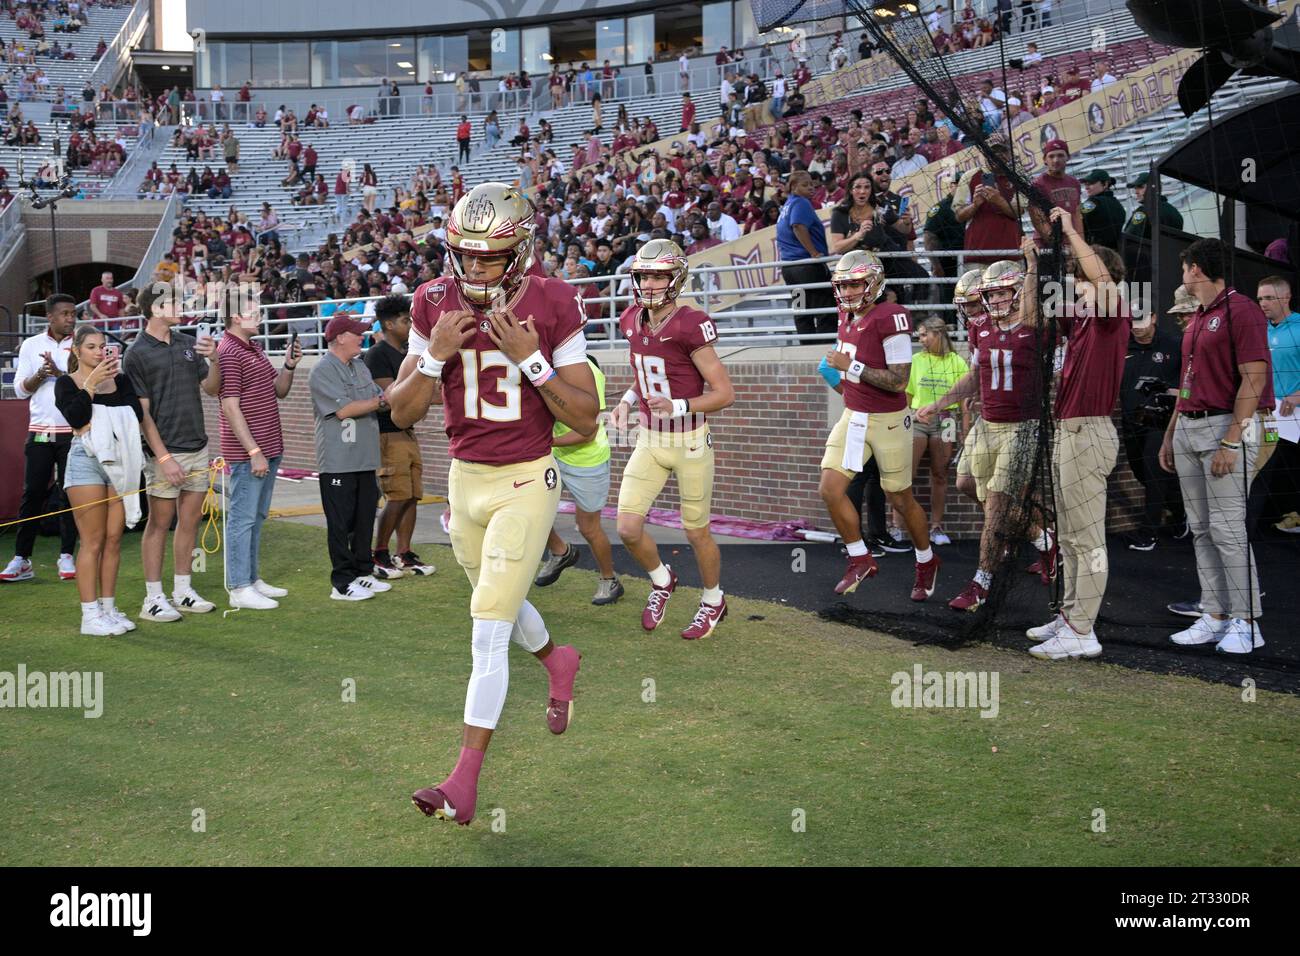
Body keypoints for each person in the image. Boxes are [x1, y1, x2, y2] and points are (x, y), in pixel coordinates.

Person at [390, 182, 597, 826]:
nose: (474, 269)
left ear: (520, 251)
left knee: (487, 631)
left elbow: (586, 422)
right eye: (465, 256)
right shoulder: (432, 301)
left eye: (490, 257)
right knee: (497, 601)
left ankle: (462, 781)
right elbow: (400, 413)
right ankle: (558, 660)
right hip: (464, 479)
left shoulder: (555, 301)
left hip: (525, 480)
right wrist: (433, 361)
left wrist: (531, 361)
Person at [609, 239, 735, 638]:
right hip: (649, 439)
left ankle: (714, 601)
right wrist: (628, 401)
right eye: (643, 275)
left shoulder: (690, 322)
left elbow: (723, 393)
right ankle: (662, 579)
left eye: (658, 275)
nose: (649, 283)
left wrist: (678, 405)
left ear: (676, 277)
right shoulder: (631, 318)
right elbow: (647, 372)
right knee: (627, 528)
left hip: (690, 442)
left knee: (696, 532)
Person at [1023, 210, 1131, 661]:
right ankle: (1070, 618)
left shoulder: (1111, 313)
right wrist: (1033, 266)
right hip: (1069, 430)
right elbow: (1031, 317)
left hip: (1089, 431)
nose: (1073, 286)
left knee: (1088, 539)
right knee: (1067, 536)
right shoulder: (1082, 321)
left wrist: (1070, 231)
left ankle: (1084, 630)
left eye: (1078, 278)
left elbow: (1103, 282)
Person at [918, 259, 1055, 610]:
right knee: (964, 484)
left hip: (1021, 426)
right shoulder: (981, 327)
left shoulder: (1034, 325)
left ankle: (982, 582)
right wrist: (939, 404)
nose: (992, 301)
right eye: (989, 294)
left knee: (998, 504)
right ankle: (1043, 540)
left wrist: (1033, 262)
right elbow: (976, 375)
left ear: (1017, 293)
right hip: (987, 423)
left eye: (1000, 293)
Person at [1159, 239, 1274, 655]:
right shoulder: (1199, 316)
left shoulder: (1241, 310)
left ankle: (1248, 621)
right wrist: (1173, 433)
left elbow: (1255, 378)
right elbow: (1188, 383)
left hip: (1225, 426)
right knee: (1202, 529)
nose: (1183, 274)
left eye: (1184, 267)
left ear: (1194, 269)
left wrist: (1231, 438)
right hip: (1191, 427)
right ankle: (1215, 615)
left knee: (1227, 529)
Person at [819, 251, 941, 602]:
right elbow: (844, 369)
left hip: (888, 422)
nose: (848, 291)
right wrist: (843, 379)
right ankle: (860, 558)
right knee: (830, 488)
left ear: (873, 283)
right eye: (843, 284)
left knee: (899, 497)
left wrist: (851, 367)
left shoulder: (892, 315)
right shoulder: (846, 316)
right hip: (854, 416)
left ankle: (926, 561)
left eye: (855, 283)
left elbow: (899, 380)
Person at [124, 283, 222, 622]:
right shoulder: (136, 353)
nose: (182, 306)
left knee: (190, 521)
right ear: (155, 309)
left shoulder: (186, 343)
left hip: (197, 445)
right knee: (159, 524)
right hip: (165, 453)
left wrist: (214, 358)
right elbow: (143, 415)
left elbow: (211, 388)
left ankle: (183, 591)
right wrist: (164, 458)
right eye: (175, 302)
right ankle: (153, 598)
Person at [53, 325, 143, 635]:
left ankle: (107, 608)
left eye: (102, 346)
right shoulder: (66, 383)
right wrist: (91, 385)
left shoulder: (119, 380)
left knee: (113, 540)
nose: (99, 351)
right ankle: (89, 615)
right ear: (77, 351)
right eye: (91, 346)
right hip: (85, 462)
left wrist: (100, 410)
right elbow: (76, 418)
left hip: (119, 460)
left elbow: (136, 415)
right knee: (92, 542)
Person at [216, 293, 302, 611]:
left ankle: (251, 579)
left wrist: (289, 365)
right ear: (236, 316)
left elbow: (279, 390)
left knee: (256, 517)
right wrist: (253, 451)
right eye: (253, 311)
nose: (260, 316)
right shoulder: (228, 351)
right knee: (242, 519)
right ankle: (238, 587)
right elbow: (229, 405)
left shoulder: (254, 347)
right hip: (249, 453)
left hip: (269, 447)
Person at [309, 314, 392, 602]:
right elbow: (344, 410)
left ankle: (362, 572)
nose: (362, 336)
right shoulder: (322, 370)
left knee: (364, 519)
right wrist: (381, 401)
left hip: (365, 458)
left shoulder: (360, 366)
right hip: (338, 460)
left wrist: (383, 399)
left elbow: (377, 398)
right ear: (340, 337)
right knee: (341, 524)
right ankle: (341, 582)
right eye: (357, 333)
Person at [535, 354, 623, 605]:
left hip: (587, 459)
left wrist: (546, 441)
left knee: (588, 527)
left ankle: (609, 580)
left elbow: (587, 432)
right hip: (551, 455)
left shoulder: (587, 371)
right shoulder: (539, 364)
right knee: (532, 513)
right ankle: (561, 552)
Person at [4, 294, 79, 584]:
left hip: (73, 432)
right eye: (65, 314)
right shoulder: (31, 345)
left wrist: (59, 374)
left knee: (68, 493)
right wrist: (41, 374)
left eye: (73, 313)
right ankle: (22, 559)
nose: (70, 318)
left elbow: (85, 387)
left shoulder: (81, 342)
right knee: (32, 493)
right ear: (50, 316)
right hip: (39, 431)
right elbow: (21, 390)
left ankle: (66, 554)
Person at [364, 294, 435, 580]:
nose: (410, 324)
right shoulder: (377, 354)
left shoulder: (407, 354)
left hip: (407, 432)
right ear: (389, 324)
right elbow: (393, 396)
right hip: (387, 434)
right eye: (406, 320)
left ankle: (403, 553)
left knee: (413, 495)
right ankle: (379, 552)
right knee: (397, 495)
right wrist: (433, 394)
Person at [1120, 285, 1189, 551]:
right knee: (1144, 474)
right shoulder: (1122, 345)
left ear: (1154, 318)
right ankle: (1181, 513)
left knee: (1154, 470)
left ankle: (1148, 533)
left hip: (1161, 420)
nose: (1137, 326)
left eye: (1142, 319)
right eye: (1132, 320)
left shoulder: (1174, 344)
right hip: (1131, 420)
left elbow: (1184, 383)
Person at [905, 317, 969, 545]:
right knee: (905, 474)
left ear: (938, 334)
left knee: (940, 474)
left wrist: (966, 432)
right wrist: (908, 416)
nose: (920, 339)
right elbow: (908, 395)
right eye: (919, 335)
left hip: (946, 420)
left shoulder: (957, 362)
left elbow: (964, 402)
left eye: (924, 335)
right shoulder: (916, 360)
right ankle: (898, 526)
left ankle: (936, 527)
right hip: (918, 419)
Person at [1256, 276, 1300, 532]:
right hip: (1269, 414)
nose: (1263, 303)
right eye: (1260, 298)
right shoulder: (1259, 329)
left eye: (1269, 298)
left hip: (1295, 415)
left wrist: (1297, 395)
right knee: (1265, 465)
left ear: (1286, 297)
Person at [777, 170, 834, 344]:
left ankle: (806, 346)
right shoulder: (801, 203)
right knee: (826, 306)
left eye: (811, 184)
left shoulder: (787, 205)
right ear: (794, 187)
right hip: (806, 267)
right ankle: (824, 348)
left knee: (801, 308)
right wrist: (813, 252)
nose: (811, 187)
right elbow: (798, 226)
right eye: (805, 184)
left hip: (790, 269)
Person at [1079, 169, 1126, 251]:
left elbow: (1077, 221)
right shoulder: (1119, 205)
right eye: (1085, 184)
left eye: (1091, 183)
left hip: (1094, 252)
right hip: (1115, 253)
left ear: (1105, 184)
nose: (1086, 187)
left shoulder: (1094, 201)